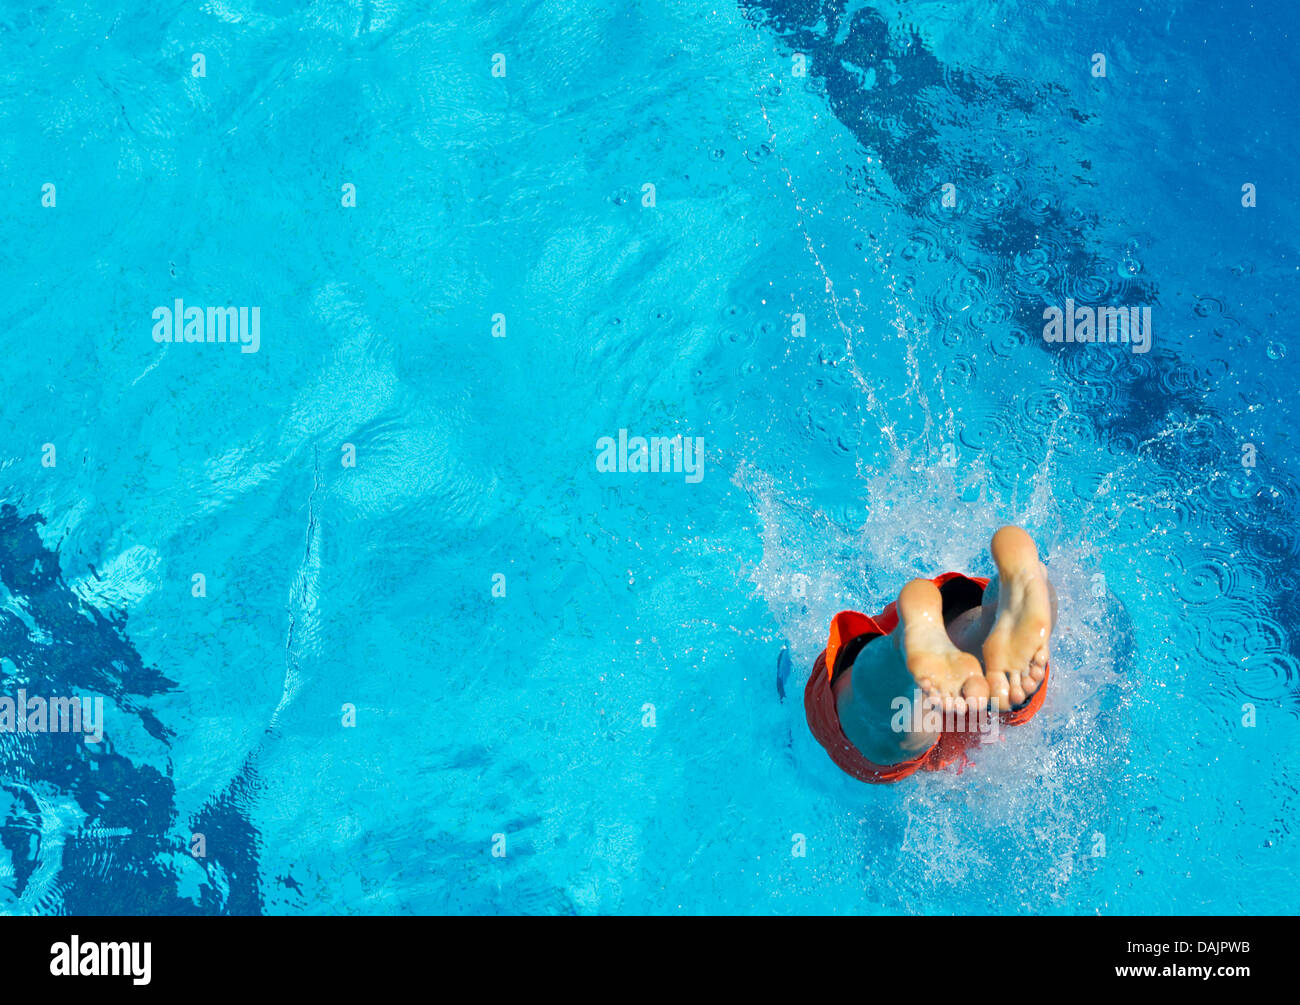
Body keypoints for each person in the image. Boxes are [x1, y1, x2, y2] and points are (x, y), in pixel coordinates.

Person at [804, 525, 1057, 783]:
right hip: (977, 687)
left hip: (949, 630)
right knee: (890, 733)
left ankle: (906, 653)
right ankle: (988, 623)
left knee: (889, 727)